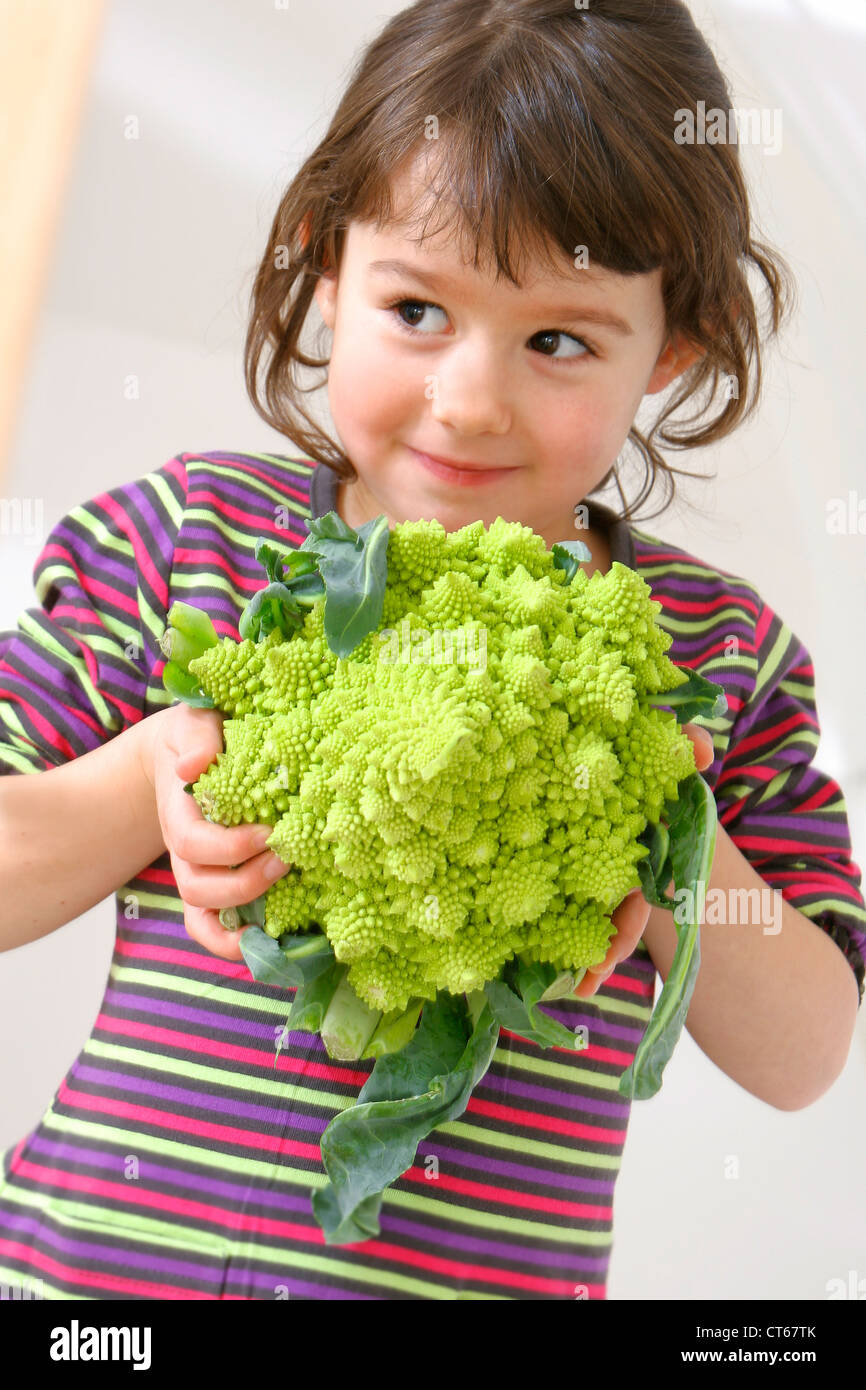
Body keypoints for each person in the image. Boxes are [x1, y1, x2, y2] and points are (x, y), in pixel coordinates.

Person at [0, 0, 863, 1301]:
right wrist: (152, 773)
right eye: (416, 309)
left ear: (671, 347)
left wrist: (664, 826)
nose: (469, 395)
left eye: (558, 340)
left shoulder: (710, 656)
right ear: (323, 264)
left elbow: (807, 1049)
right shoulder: (190, 546)